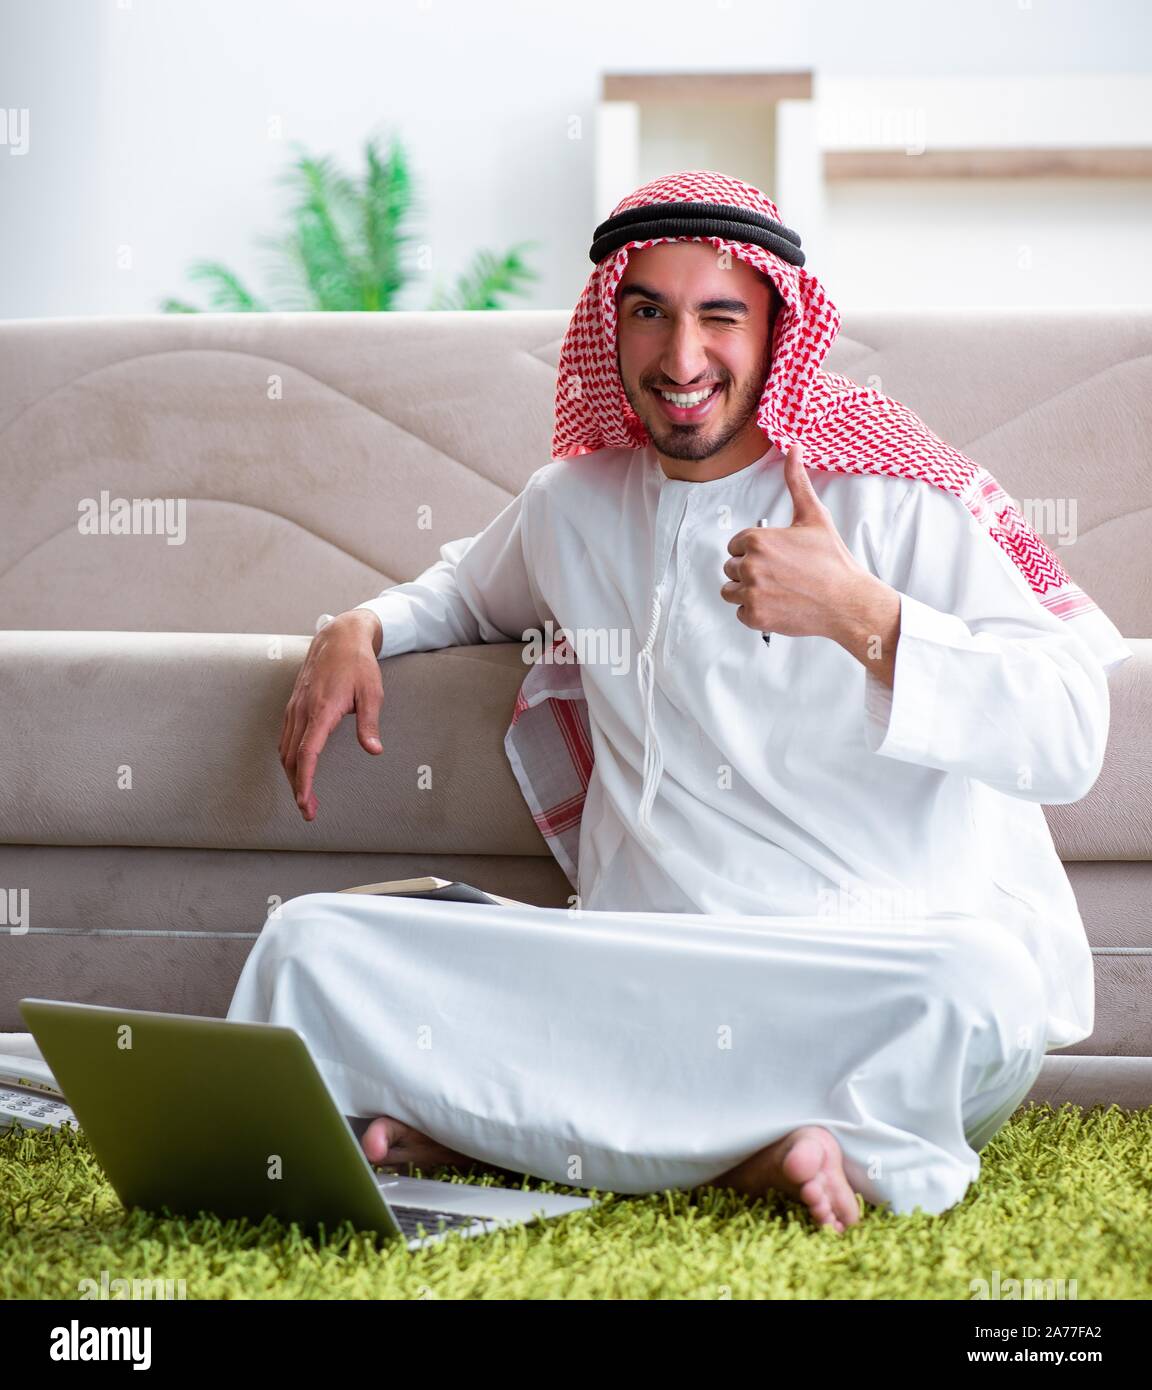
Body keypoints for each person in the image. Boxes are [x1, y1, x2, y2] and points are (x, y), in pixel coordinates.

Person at [234, 171, 1132, 1234]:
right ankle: (754, 1152)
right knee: (314, 945)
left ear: (779, 328)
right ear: (607, 324)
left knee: (980, 983)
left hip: (852, 981)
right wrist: (362, 626)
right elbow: (460, 591)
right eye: (648, 311)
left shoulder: (893, 500)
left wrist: (864, 616)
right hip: (644, 976)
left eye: (720, 316)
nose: (681, 357)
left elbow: (1069, 733)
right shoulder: (574, 504)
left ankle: (519, 1127)